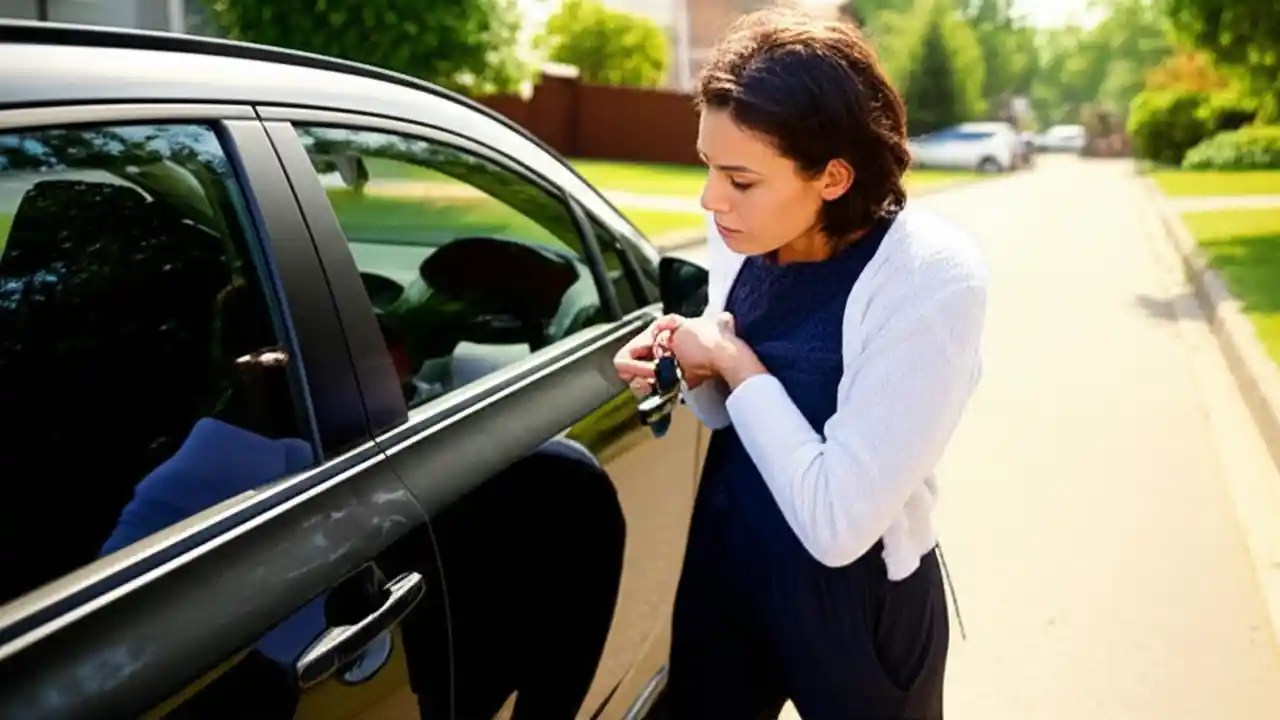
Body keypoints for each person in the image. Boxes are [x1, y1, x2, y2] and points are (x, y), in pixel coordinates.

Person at [614, 8, 987, 719]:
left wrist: (730, 356)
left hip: (857, 604)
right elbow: (740, 380)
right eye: (708, 167)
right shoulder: (741, 231)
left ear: (834, 177)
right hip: (731, 555)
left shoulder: (933, 280)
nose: (710, 199)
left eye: (740, 179)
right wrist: (688, 355)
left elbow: (838, 523)